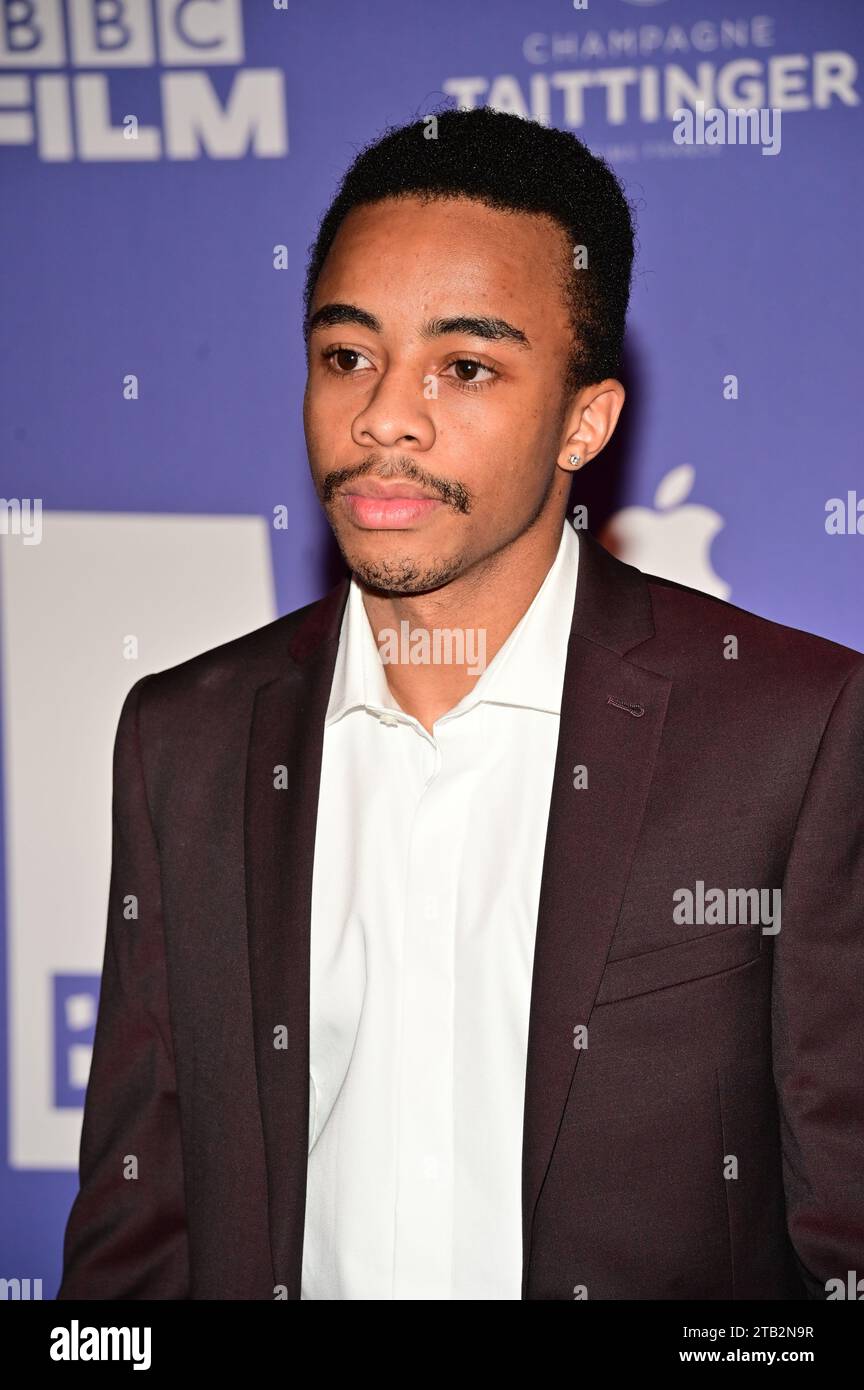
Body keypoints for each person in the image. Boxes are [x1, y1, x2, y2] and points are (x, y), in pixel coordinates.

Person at [58, 107, 864, 1301]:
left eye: (465, 365)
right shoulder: (185, 737)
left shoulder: (791, 733)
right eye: (348, 356)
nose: (387, 413)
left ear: (584, 419)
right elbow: (135, 1245)